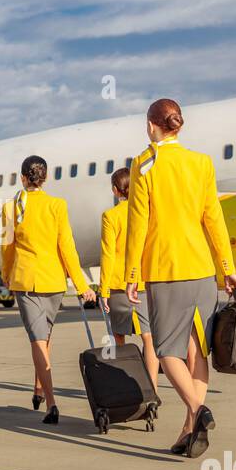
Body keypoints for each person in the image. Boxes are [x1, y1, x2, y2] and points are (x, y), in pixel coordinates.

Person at [125, 98, 236, 459]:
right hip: (202, 269)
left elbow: (138, 224)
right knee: (197, 349)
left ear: (151, 126)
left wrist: (131, 273)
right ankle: (189, 430)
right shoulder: (202, 163)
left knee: (166, 351)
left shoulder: (144, 164)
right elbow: (214, 220)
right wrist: (228, 267)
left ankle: (199, 409)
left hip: (165, 269)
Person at [0, 155, 96, 425]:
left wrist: (6, 274)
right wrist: (81, 284)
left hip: (26, 282)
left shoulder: (11, 208)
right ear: (45, 178)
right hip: (54, 282)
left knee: (37, 340)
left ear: (22, 177)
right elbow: (67, 247)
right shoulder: (57, 205)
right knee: (44, 339)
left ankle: (52, 403)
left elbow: (7, 248)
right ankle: (38, 389)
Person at [99, 166, 159, 390]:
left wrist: (103, 291)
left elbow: (107, 255)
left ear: (115, 190)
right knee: (149, 338)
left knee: (118, 338)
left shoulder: (110, 216)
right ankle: (151, 388)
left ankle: (123, 385)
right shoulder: (146, 213)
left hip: (118, 284)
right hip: (144, 281)